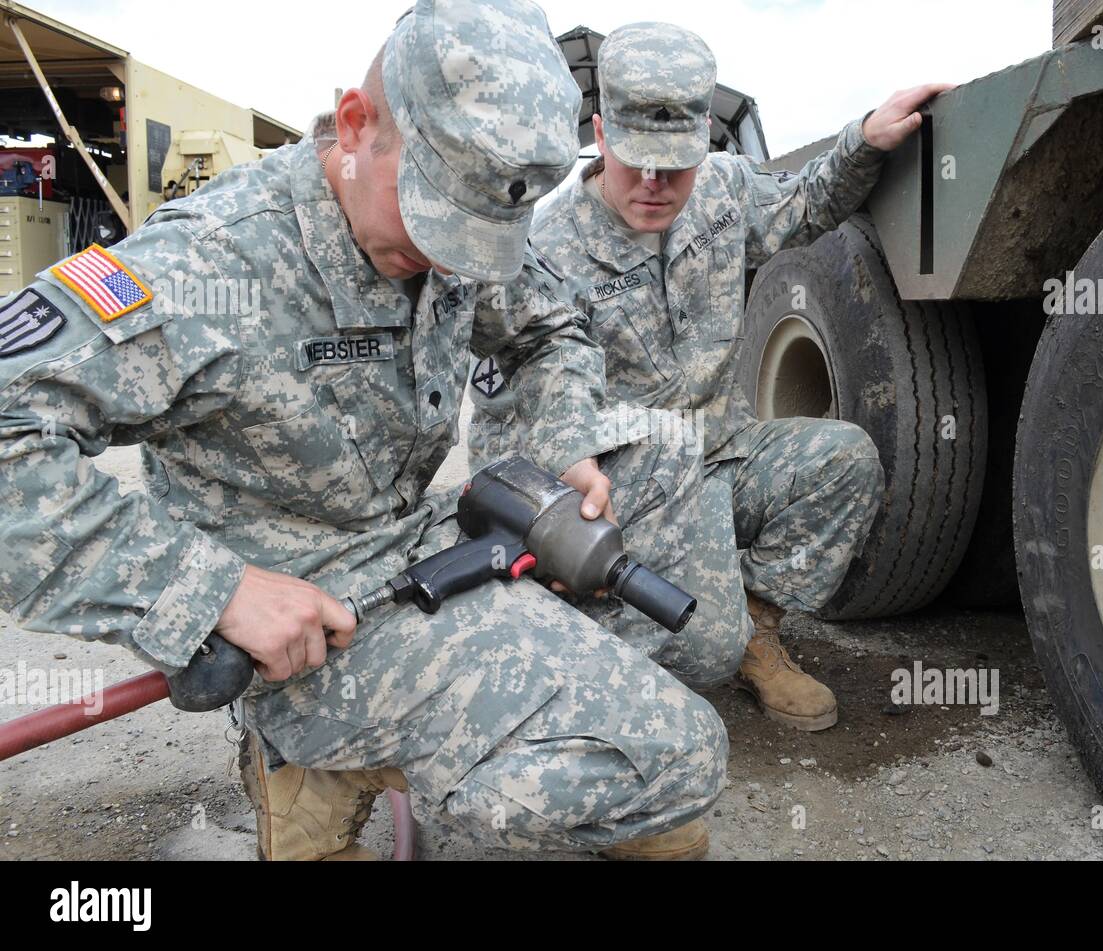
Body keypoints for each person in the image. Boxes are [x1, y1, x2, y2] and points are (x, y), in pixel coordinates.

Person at [0, 0, 725, 861]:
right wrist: (214, 591)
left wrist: (566, 435)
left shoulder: (464, 219)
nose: (457, 258)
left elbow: (550, 324)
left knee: (670, 752)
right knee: (673, 760)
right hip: (291, 620)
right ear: (355, 125)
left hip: (412, 550)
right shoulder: (213, 261)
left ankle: (407, 751)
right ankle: (316, 757)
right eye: (434, 218)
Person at [470, 22, 950, 732]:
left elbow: (806, 204)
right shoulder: (546, 247)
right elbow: (502, 426)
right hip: (630, 488)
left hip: (722, 454)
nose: (657, 185)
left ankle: (758, 633)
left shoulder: (724, 194)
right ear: (600, 133)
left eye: (678, 164)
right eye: (638, 162)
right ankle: (602, 670)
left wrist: (864, 139)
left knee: (843, 461)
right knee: (699, 646)